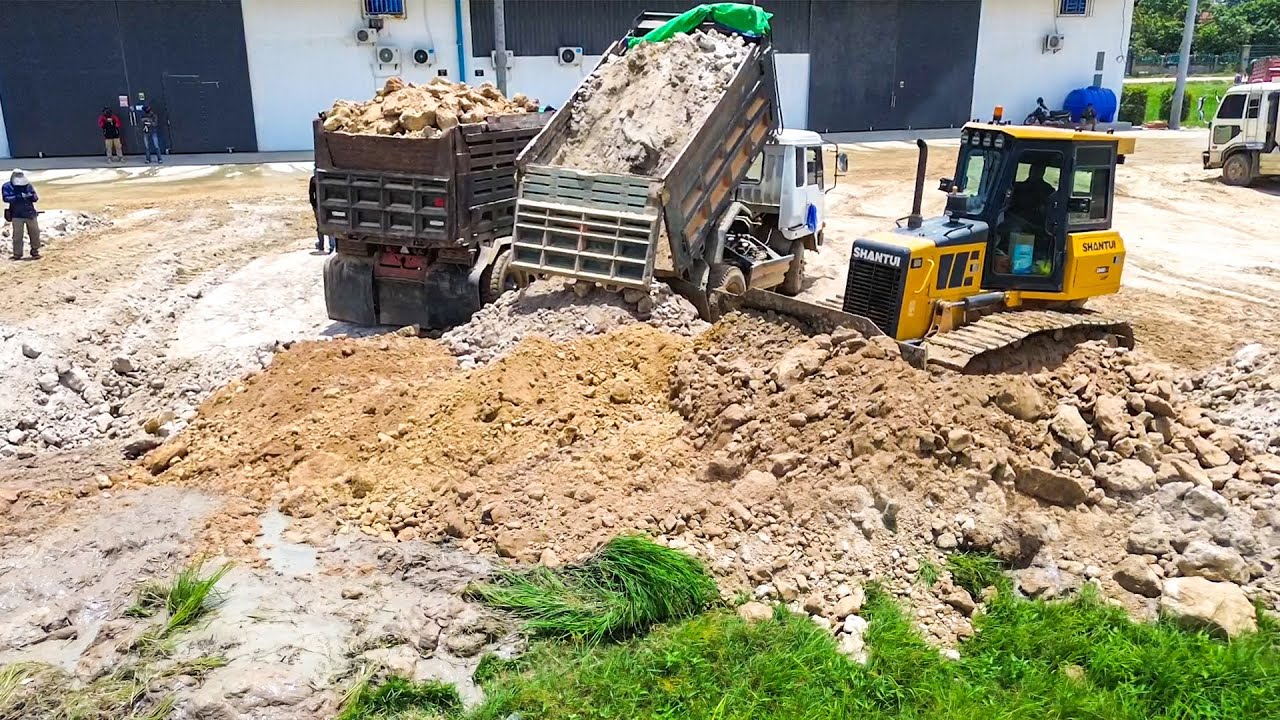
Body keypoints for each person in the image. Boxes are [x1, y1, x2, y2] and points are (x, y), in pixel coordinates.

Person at [3, 170, 41, 260]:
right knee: (17, 236)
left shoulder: (28, 185)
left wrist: (30, 196)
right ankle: (17, 254)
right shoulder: (7, 186)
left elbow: (35, 197)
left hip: (30, 213)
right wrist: (18, 197)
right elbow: (6, 198)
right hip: (17, 214)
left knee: (35, 234)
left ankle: (35, 251)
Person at [309, 176, 334, 253]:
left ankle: (321, 245)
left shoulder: (314, 179)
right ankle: (332, 246)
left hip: (318, 205)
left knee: (320, 225)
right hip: (328, 204)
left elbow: (311, 193)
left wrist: (314, 205)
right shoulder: (329, 178)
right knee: (330, 224)